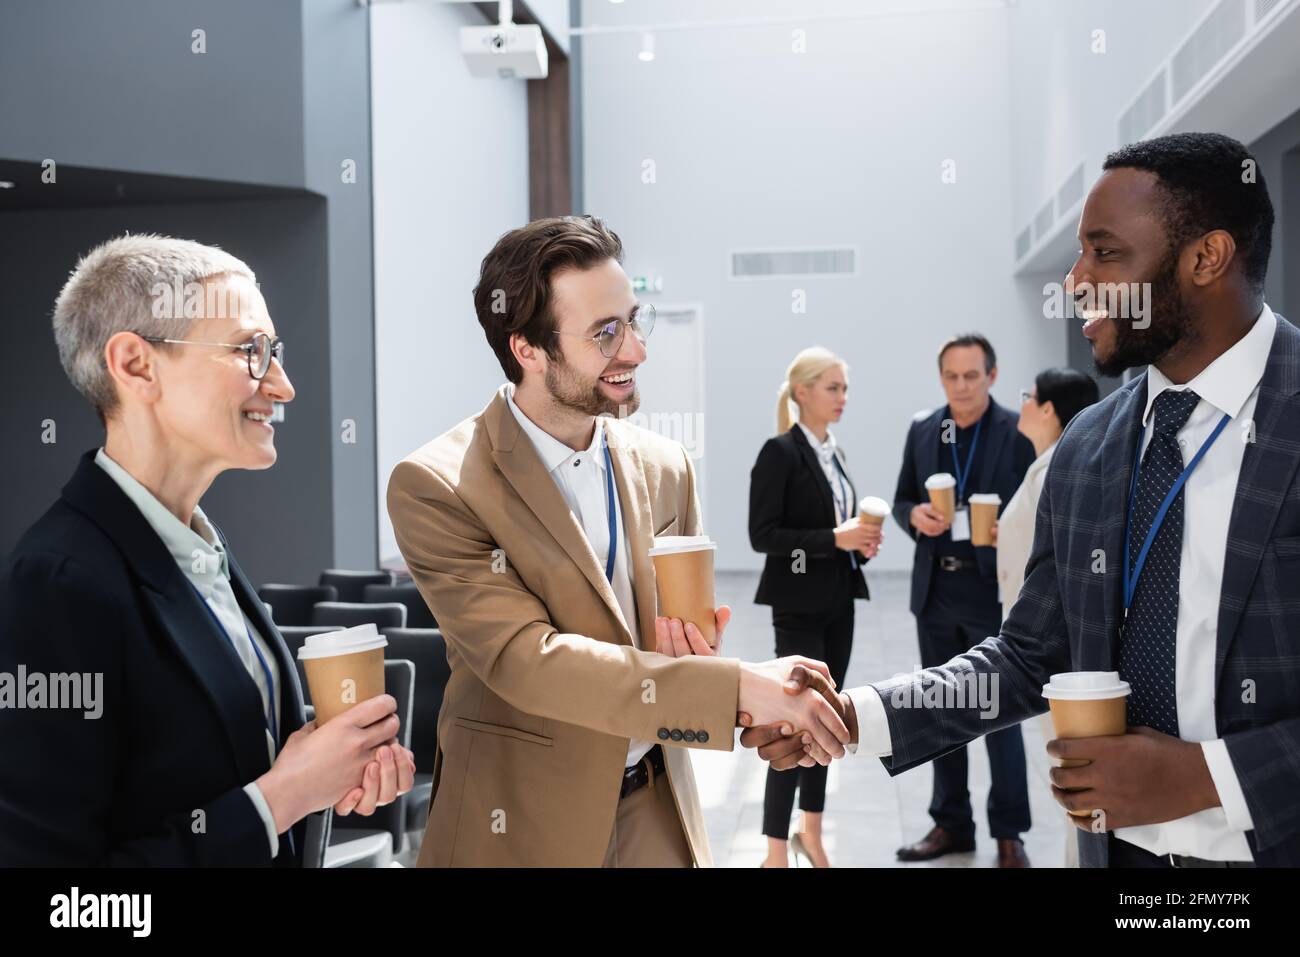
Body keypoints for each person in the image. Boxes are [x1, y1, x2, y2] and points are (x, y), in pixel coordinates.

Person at [745, 132, 1300, 868]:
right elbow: (1027, 656)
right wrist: (852, 716)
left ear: (1206, 258)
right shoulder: (1090, 446)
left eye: (1104, 252)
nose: (1073, 281)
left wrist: (1208, 776)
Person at [386, 215, 848, 868]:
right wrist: (738, 689)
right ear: (528, 350)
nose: (636, 350)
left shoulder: (667, 465)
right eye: (606, 334)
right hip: (517, 824)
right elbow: (527, 660)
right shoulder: (437, 483)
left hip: (656, 811)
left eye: (635, 321)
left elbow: (678, 658)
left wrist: (753, 715)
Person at [0, 235, 414, 866]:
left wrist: (328, 771)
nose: (282, 386)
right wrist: (281, 796)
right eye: (251, 351)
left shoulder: (195, 548)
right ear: (137, 365)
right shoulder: (56, 582)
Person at [890, 333, 1037, 866]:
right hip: (936, 591)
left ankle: (1009, 833)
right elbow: (904, 496)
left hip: (991, 590)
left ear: (992, 377)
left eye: (971, 376)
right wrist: (913, 516)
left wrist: (1012, 530)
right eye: (951, 376)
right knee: (941, 709)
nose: (960, 386)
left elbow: (1036, 503)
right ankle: (951, 825)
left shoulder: (1015, 431)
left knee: (999, 711)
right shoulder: (925, 428)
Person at [748, 347, 881, 867]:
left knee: (828, 723)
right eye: (832, 387)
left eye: (844, 388)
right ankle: (775, 854)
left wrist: (858, 542)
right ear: (802, 392)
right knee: (793, 724)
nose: (841, 397)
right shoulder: (779, 452)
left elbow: (838, 530)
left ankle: (813, 834)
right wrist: (833, 537)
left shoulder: (834, 453)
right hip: (798, 605)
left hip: (839, 598)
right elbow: (763, 535)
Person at [992, 367, 1099, 866]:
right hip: (1037, 645)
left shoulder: (1062, 466)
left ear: (1049, 410)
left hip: (1054, 652)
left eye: (1028, 396)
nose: (1023, 404)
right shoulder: (1046, 463)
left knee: (1075, 777)